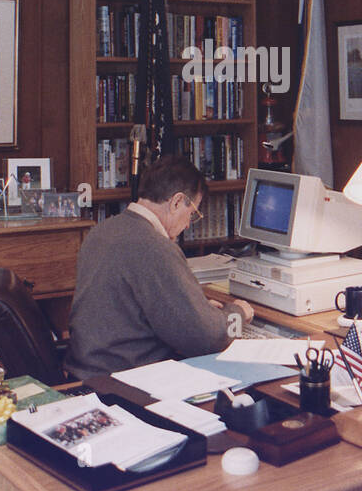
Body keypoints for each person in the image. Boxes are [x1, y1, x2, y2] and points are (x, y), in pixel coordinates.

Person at [67, 155, 254, 379]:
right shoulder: (154, 247)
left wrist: (199, 310)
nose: (187, 224)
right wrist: (237, 313)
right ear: (176, 202)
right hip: (125, 380)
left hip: (89, 371)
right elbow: (207, 339)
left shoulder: (101, 231)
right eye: (192, 213)